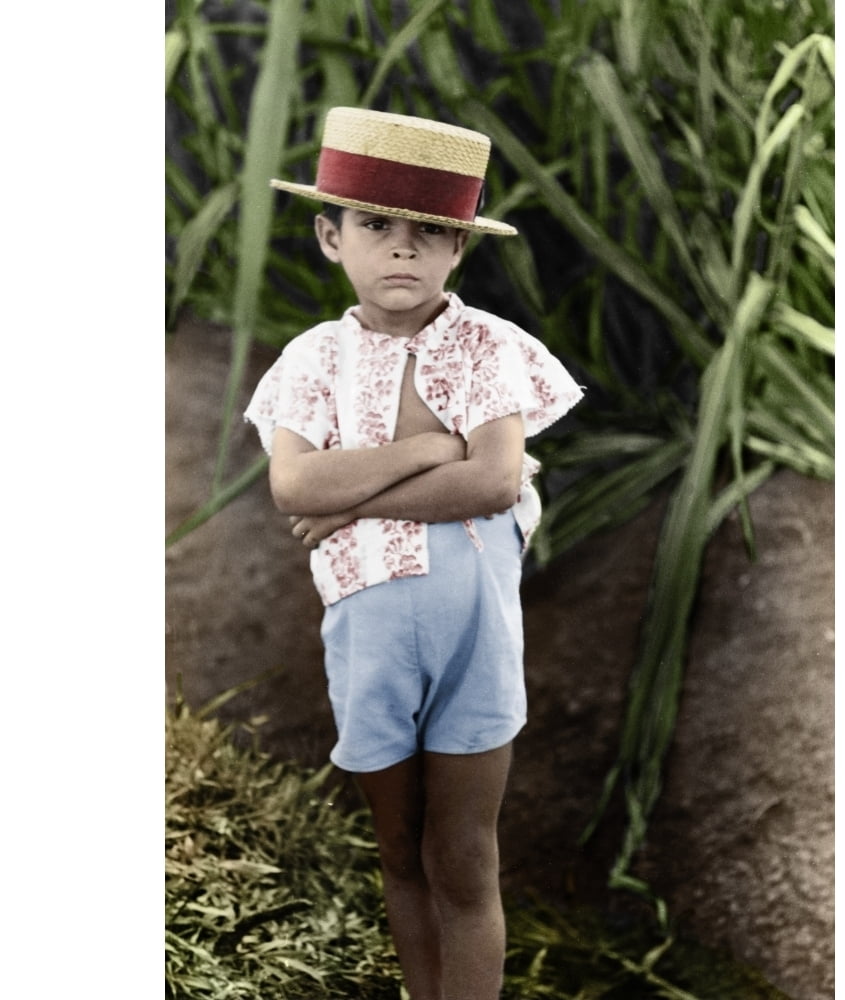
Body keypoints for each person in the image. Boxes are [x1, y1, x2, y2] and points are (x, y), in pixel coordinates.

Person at [244, 106, 583, 1000]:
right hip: (370, 639)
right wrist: (433, 448)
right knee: (400, 848)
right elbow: (294, 485)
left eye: (429, 231)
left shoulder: (486, 347)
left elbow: (494, 482)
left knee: (463, 853)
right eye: (374, 224)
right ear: (331, 237)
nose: (402, 247)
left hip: (475, 638)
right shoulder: (314, 360)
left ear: (459, 247)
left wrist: (355, 496)